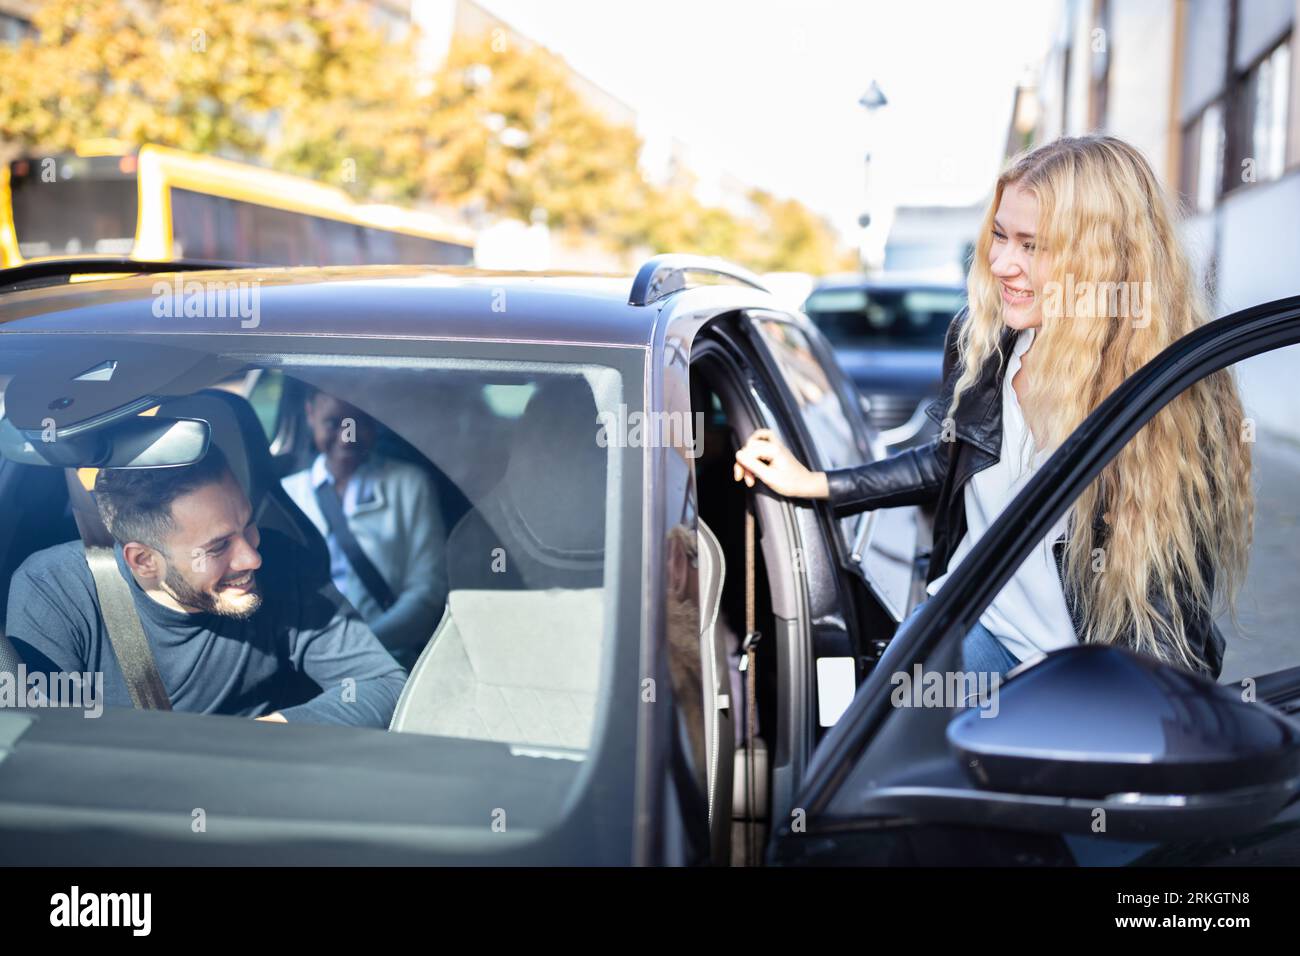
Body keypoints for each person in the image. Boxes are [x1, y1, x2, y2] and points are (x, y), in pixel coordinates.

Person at [734, 134, 1252, 681]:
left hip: (1077, 674)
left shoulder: (1169, 395)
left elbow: (1169, 618)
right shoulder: (986, 343)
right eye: (1000, 236)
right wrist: (818, 483)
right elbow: (949, 460)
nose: (1002, 262)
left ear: (1104, 258)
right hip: (973, 626)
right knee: (873, 739)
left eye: (1032, 245)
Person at [6, 445, 405, 726]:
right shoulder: (55, 590)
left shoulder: (284, 564)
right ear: (144, 561)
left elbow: (382, 685)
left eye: (249, 525)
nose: (252, 558)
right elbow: (49, 747)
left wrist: (250, 742)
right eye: (218, 547)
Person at [282, 388, 447, 669]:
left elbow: (427, 591)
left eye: (360, 421)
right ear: (310, 415)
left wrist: (362, 647)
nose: (348, 436)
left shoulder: (410, 485)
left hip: (388, 658)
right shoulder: (288, 494)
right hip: (305, 663)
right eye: (334, 423)